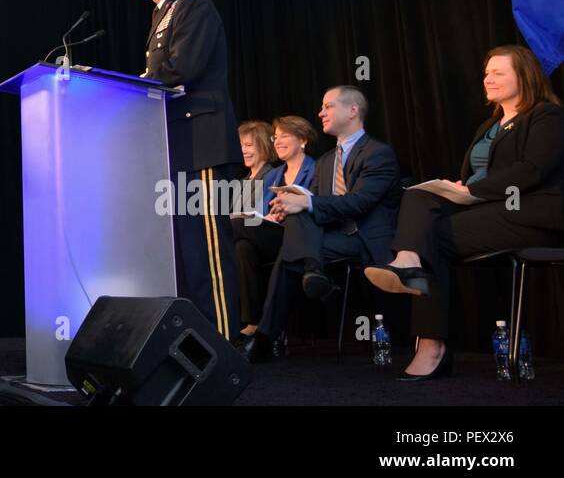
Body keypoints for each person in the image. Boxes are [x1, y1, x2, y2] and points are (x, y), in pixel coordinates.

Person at [365, 46, 563, 380]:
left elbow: (532, 170)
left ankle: (432, 347)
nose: (488, 78)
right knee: (416, 195)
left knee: (433, 236)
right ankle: (408, 260)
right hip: (483, 207)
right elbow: (477, 173)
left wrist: (471, 191)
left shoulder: (546, 116)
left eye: (498, 72)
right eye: (486, 72)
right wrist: (459, 186)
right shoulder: (489, 124)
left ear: (525, 76)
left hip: (527, 212)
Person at [131, 0, 243, 339]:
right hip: (179, 144)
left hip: (205, 141)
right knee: (189, 251)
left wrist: (134, 86)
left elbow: (184, 68)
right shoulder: (162, 12)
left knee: (211, 249)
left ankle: (225, 343)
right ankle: (199, 342)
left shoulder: (193, 3)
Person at [241, 87, 400, 362]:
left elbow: (358, 203)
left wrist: (305, 203)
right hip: (330, 237)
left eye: (328, 106)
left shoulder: (378, 153)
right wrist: (287, 205)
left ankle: (264, 336)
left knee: (290, 250)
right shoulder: (327, 161)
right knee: (296, 219)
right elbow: (314, 203)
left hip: (363, 238)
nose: (320, 112)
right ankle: (312, 271)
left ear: (352, 110)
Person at [231, 118, 314, 338]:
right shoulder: (272, 176)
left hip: (295, 236)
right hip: (264, 234)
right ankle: (252, 323)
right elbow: (268, 209)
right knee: (242, 248)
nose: (244, 151)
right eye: (241, 145)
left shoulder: (312, 168)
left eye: (249, 145)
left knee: (231, 228)